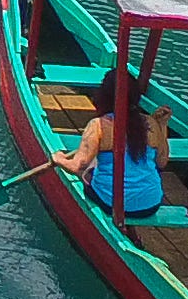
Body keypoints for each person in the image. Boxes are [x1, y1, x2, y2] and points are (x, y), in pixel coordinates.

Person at [56, 76, 169, 216]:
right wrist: (162, 125)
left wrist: (58, 158)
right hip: (150, 205)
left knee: (88, 173)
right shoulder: (151, 122)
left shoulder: (98, 125)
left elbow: (77, 166)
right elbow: (162, 162)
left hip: (111, 203)